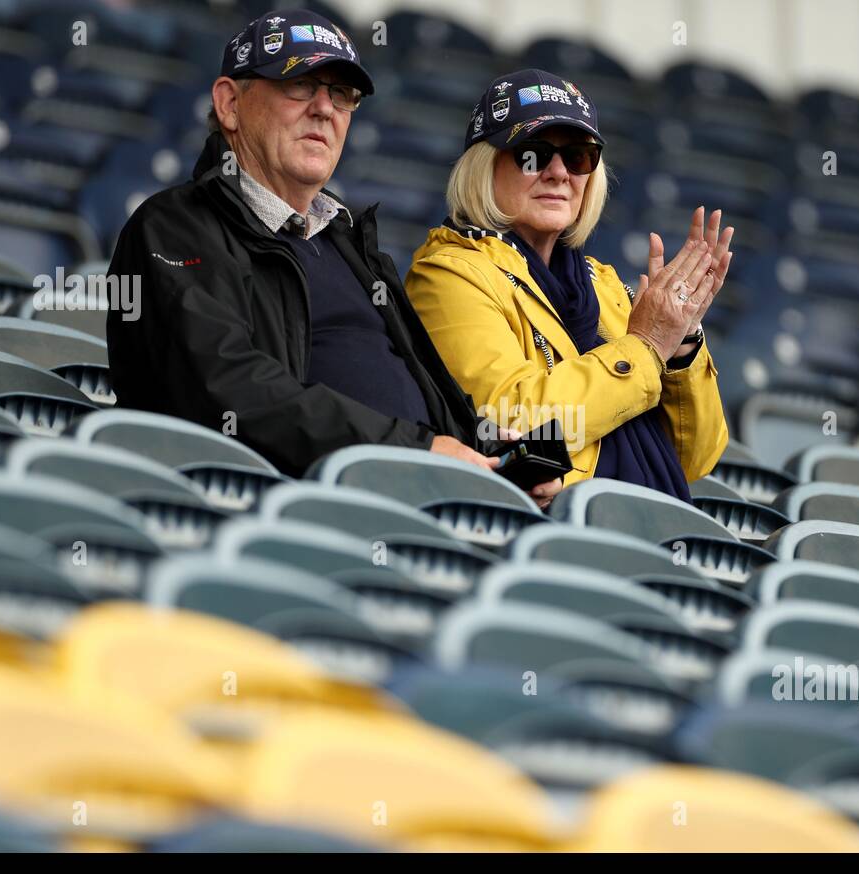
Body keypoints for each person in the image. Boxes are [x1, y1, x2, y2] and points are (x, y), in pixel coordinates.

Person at [105, 11, 561, 507]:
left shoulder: (351, 245)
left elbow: (428, 407)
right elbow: (225, 387)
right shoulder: (174, 226)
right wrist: (413, 451)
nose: (326, 108)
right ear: (230, 103)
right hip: (272, 512)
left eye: (342, 94)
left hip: (417, 504)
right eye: (300, 84)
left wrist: (493, 453)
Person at [406, 69, 730, 501]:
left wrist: (682, 343)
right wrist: (647, 346)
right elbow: (509, 418)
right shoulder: (448, 273)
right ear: (484, 166)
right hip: (552, 527)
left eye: (578, 157)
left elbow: (694, 458)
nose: (559, 173)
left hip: (645, 521)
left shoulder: (603, 283)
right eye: (532, 154)